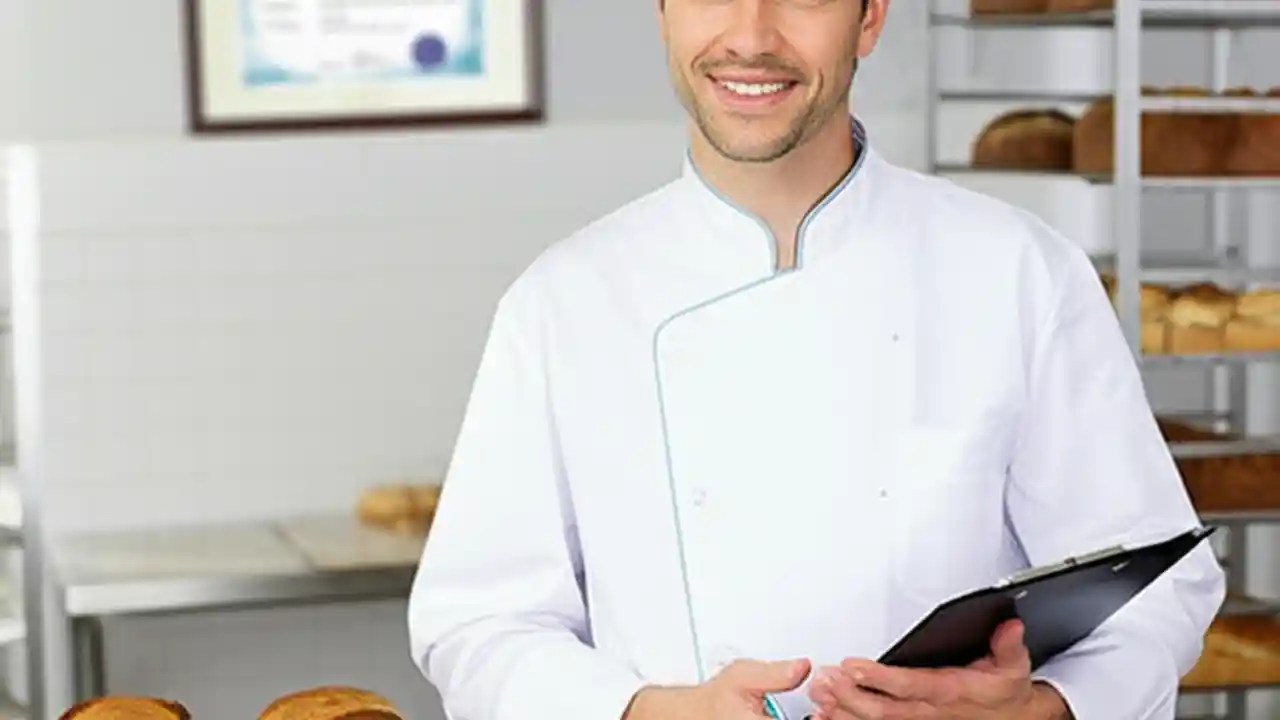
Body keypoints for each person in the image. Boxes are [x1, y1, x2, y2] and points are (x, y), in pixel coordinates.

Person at [407, 0, 1226, 718]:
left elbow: (1159, 589)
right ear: (661, 13)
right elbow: (477, 624)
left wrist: (1047, 710)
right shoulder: (562, 302)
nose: (750, 35)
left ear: (869, 17)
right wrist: (640, 713)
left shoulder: (1018, 270)